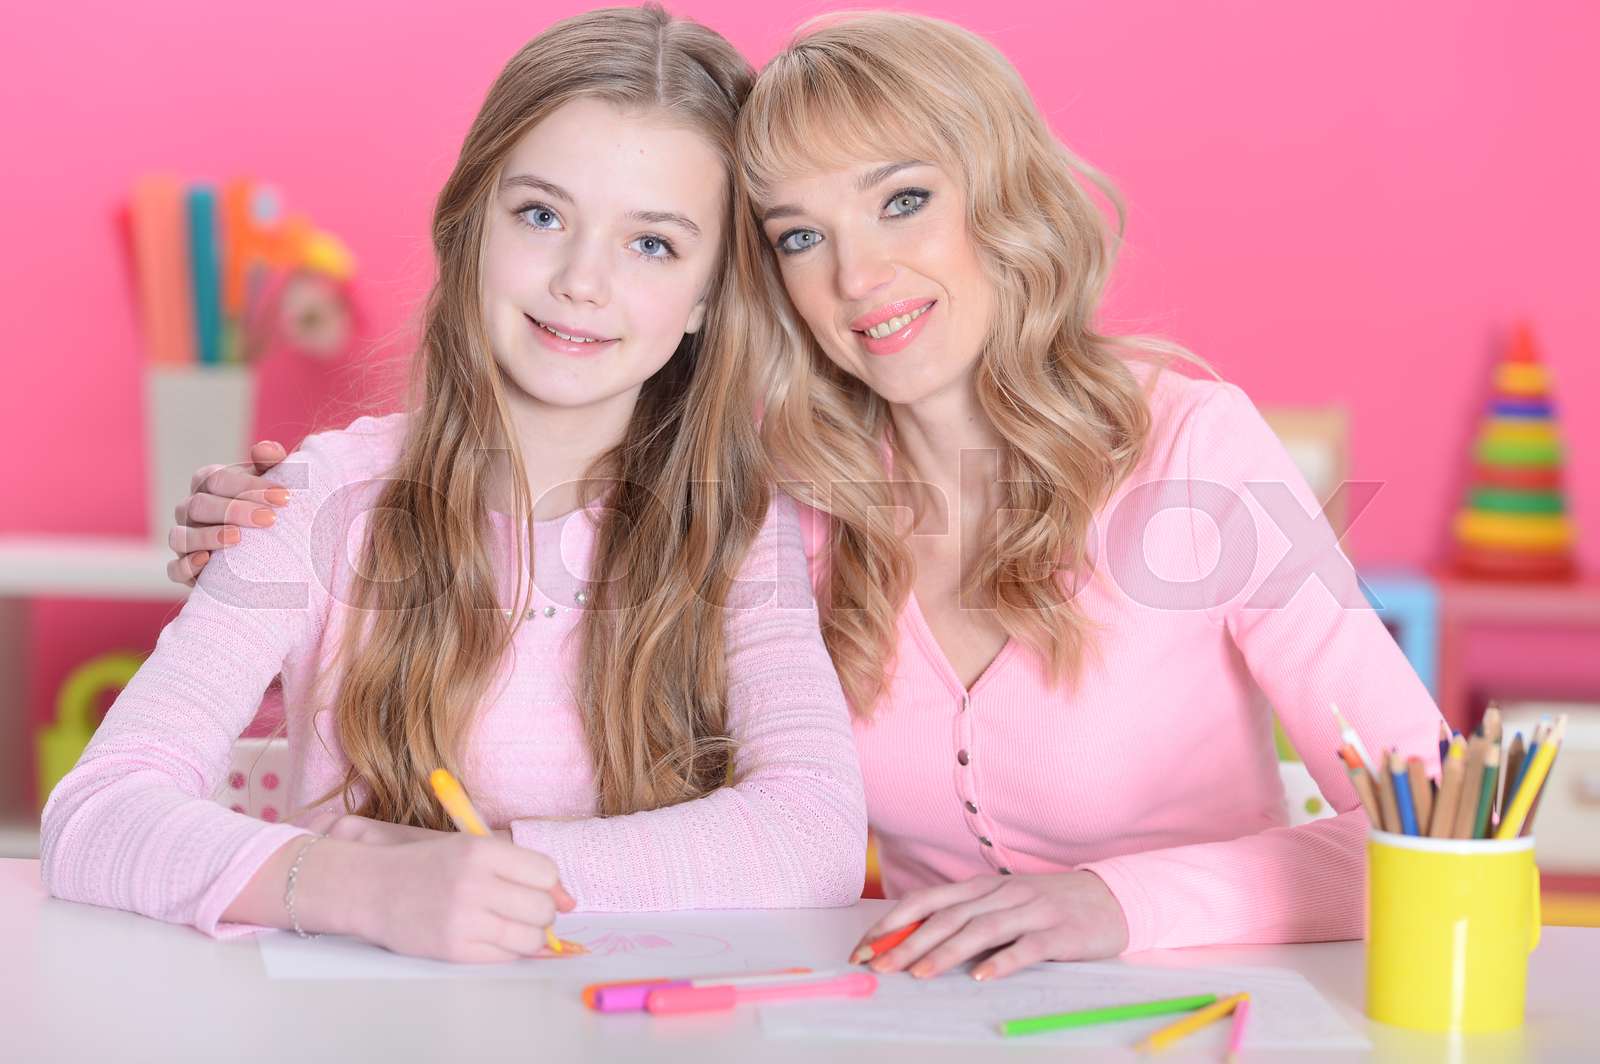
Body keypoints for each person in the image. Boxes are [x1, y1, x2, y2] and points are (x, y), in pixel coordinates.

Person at [166, 10, 1446, 980]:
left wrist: (1119, 906)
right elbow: (545, 630)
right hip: (910, 1018)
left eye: (901, 200)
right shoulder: (778, 496)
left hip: (1210, 1011)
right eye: (796, 233)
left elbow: (1441, 829)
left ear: (998, 195)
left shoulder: (1196, 451)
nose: (859, 273)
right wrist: (319, 532)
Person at [43, 5, 866, 965]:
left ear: (705, 299)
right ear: (470, 228)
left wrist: (481, 871)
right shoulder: (316, 499)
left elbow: (816, 836)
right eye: (542, 215)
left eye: (653, 244)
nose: (580, 281)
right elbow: (96, 812)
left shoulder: (735, 525)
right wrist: (357, 886)